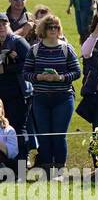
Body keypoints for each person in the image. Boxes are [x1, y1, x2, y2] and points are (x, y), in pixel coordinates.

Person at [23, 14, 79, 177]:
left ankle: (60, 170)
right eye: (50, 27)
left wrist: (60, 78)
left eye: (56, 27)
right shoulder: (34, 50)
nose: (53, 30)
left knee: (59, 135)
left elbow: (76, 72)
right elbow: (26, 72)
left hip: (63, 98)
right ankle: (47, 169)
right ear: (44, 30)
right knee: (44, 135)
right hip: (40, 98)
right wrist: (39, 77)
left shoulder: (66, 48)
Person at [0, 14, 31, 162]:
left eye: (3, 23)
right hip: (1, 98)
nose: (0, 27)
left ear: (8, 25)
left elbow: (31, 64)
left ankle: (21, 167)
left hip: (18, 94)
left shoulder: (18, 42)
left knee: (18, 130)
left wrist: (6, 68)